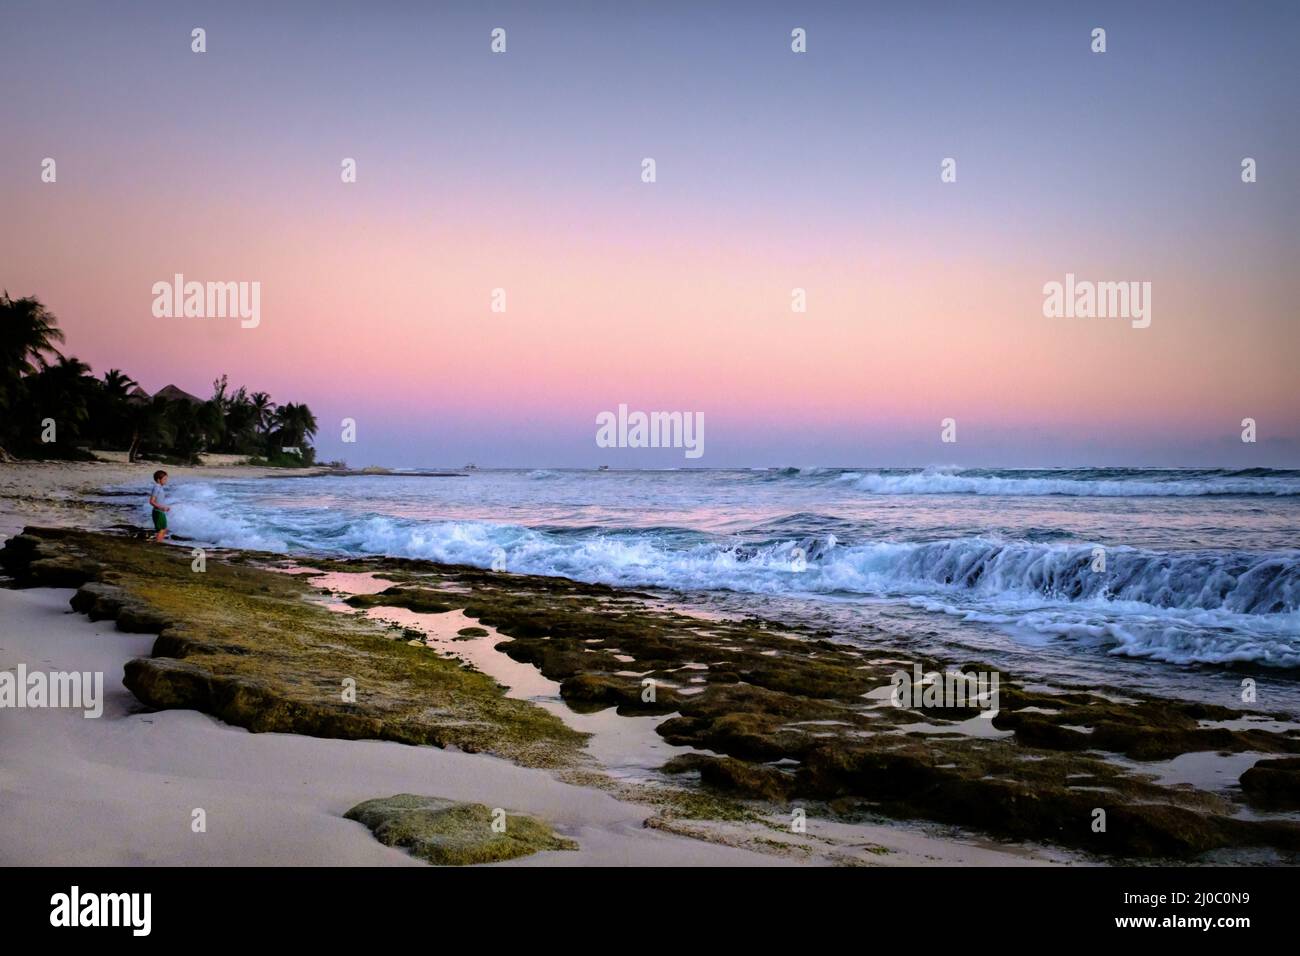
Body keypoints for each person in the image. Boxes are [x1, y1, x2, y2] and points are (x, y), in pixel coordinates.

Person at [149, 470, 171, 543]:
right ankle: (158, 543)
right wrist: (161, 507)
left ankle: (159, 542)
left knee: (163, 529)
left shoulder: (159, 487)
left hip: (160, 511)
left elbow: (159, 500)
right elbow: (151, 501)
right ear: (158, 479)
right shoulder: (156, 487)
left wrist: (165, 507)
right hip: (158, 512)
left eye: (166, 479)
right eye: (164, 479)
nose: (166, 481)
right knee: (162, 529)